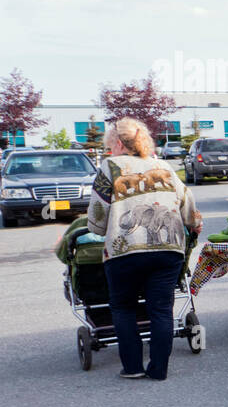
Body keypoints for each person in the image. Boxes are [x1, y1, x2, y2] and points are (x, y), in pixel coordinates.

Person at [86, 117, 202, 380]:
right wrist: (194, 223)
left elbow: (97, 214)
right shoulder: (163, 166)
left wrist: (99, 228)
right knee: (161, 309)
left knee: (123, 307)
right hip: (168, 249)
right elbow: (187, 200)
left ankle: (133, 368)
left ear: (116, 142)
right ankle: (159, 369)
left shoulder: (110, 166)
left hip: (125, 250)